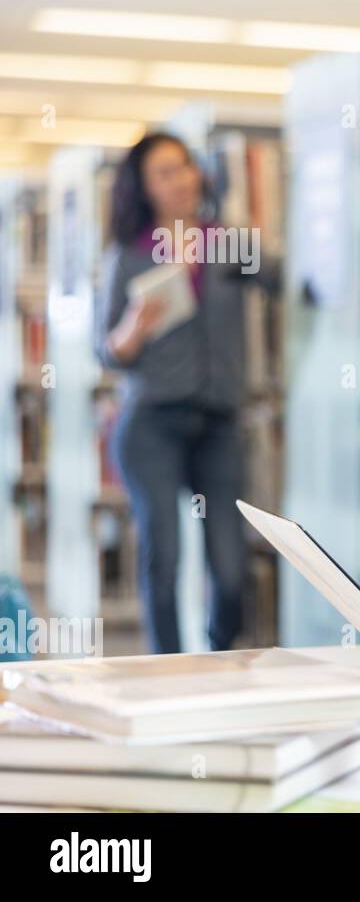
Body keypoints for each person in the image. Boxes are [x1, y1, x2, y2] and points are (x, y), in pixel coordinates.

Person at [97, 133, 272, 653]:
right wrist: (131, 328)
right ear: (146, 188)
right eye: (164, 173)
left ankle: (220, 658)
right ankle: (167, 671)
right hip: (152, 423)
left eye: (185, 167)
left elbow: (279, 277)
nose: (180, 180)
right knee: (164, 557)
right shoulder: (130, 255)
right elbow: (105, 349)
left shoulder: (224, 243)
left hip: (218, 420)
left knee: (231, 566)